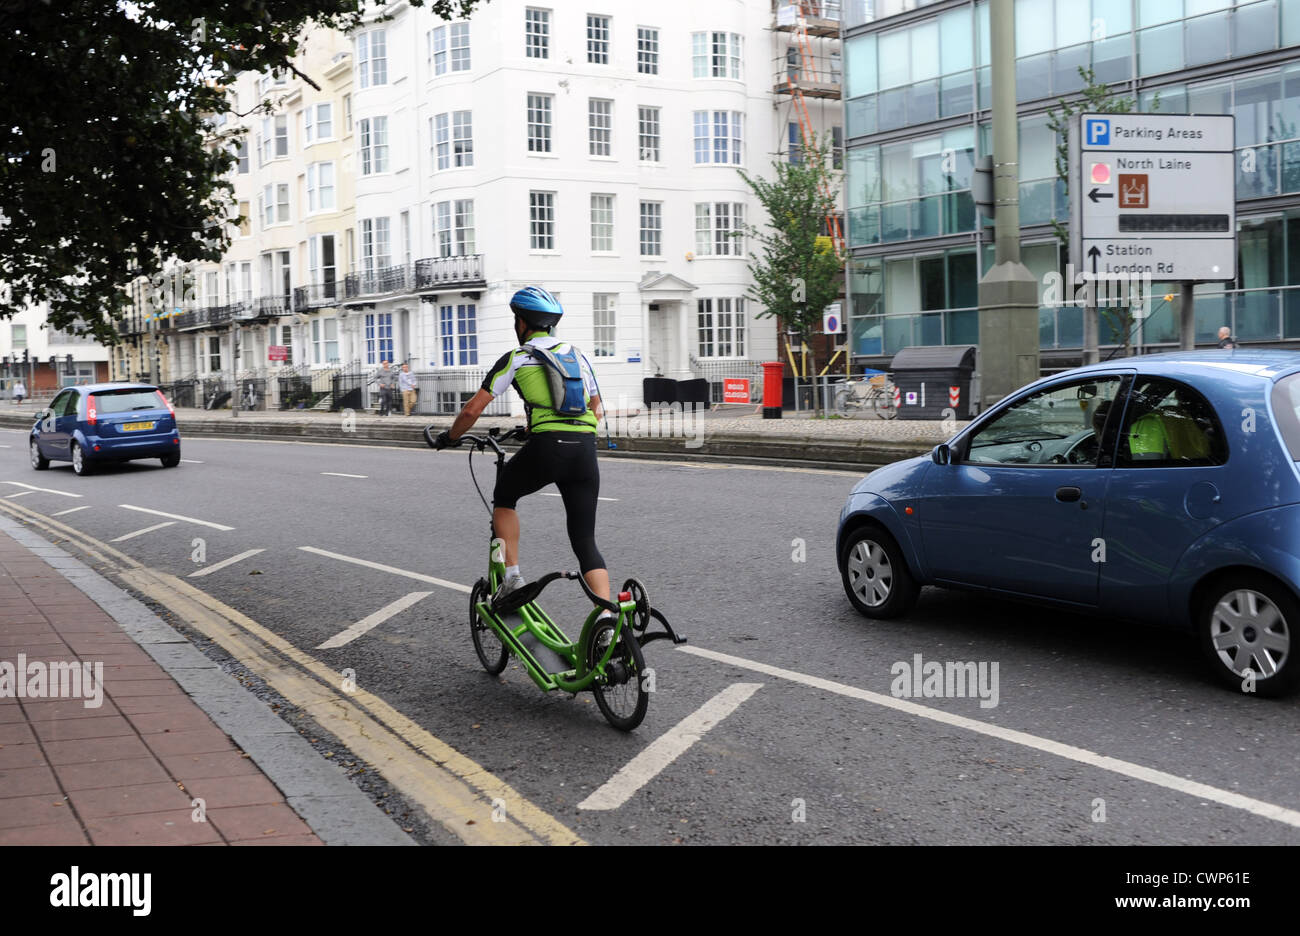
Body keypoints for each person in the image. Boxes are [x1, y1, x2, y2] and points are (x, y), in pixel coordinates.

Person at [434, 286, 611, 620]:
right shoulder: (578, 356)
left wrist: (448, 437)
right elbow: (597, 409)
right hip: (585, 451)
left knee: (505, 496)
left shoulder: (517, 358)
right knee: (585, 539)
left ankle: (513, 579)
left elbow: (471, 412)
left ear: (522, 324)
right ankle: (607, 618)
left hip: (547, 449)